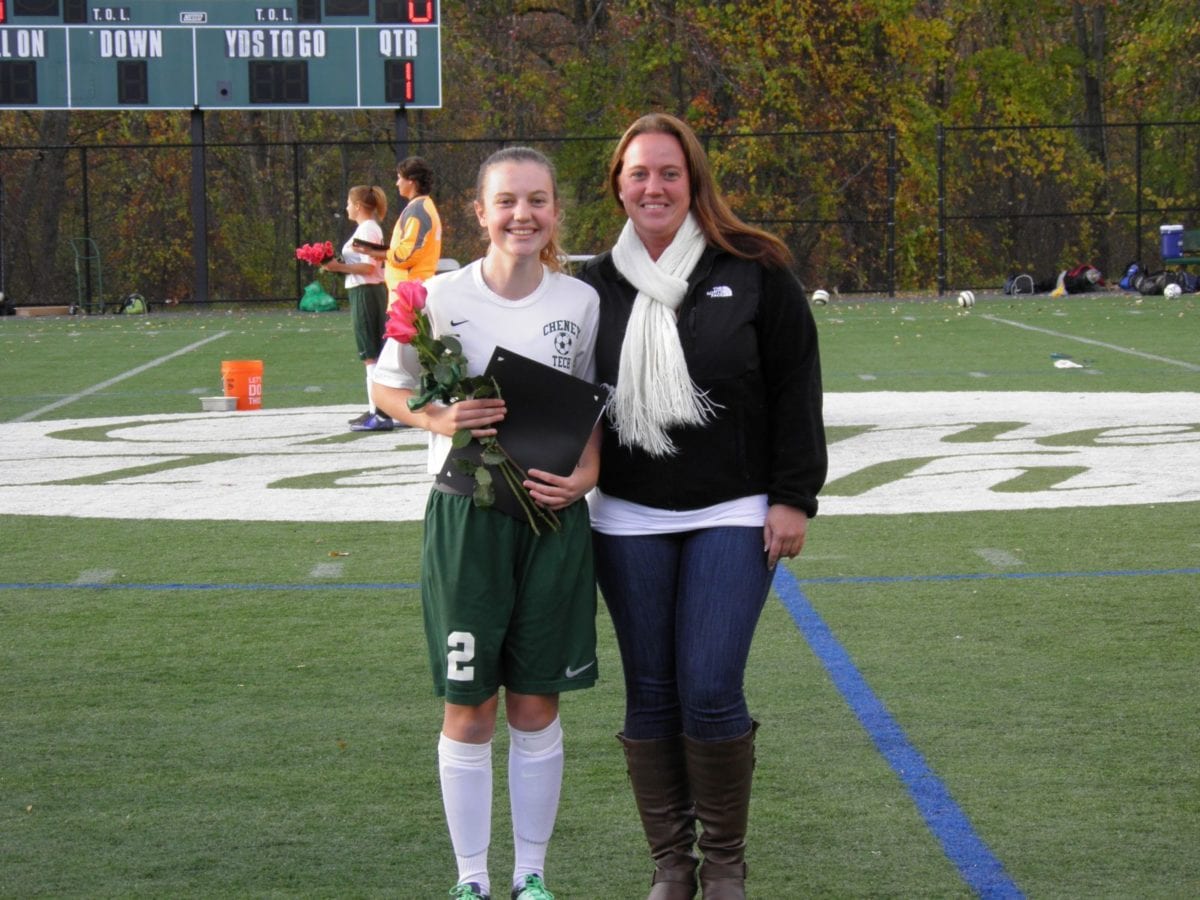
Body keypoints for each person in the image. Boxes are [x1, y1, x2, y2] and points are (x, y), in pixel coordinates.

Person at [577, 113, 828, 900]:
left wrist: (795, 499)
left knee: (712, 684)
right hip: (627, 516)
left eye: (669, 173)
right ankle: (670, 868)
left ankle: (724, 862)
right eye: (639, 173)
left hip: (735, 508)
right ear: (617, 184)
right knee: (651, 690)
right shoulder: (589, 284)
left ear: (695, 182)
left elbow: (797, 387)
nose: (653, 186)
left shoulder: (754, 267)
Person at [372, 147, 602, 900]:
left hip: (551, 520)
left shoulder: (580, 302)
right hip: (466, 517)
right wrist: (439, 413)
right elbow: (385, 388)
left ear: (555, 211)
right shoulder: (439, 295)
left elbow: (587, 406)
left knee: (536, 704)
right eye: (506, 201)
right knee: (468, 705)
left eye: (537, 200)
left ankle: (530, 874)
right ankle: (471, 880)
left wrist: (588, 474)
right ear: (478, 211)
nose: (522, 215)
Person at [321, 185, 394, 432]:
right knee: (369, 351)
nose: (347, 207)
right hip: (362, 291)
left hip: (367, 291)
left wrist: (336, 267)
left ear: (359, 206)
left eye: (349, 203)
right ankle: (376, 407)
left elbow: (369, 268)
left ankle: (381, 412)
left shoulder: (368, 228)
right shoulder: (365, 228)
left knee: (370, 352)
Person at [374, 156, 443, 298]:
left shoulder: (417, 210)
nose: (397, 183)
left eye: (400, 178)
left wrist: (378, 253)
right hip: (411, 291)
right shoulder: (423, 206)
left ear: (411, 181)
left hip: (408, 294)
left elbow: (406, 256)